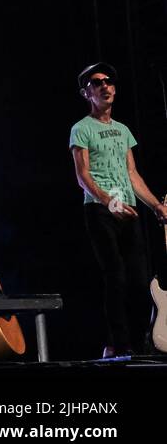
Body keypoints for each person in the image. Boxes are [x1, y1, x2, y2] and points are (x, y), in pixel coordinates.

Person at [70, 62, 167, 357]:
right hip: (100, 211)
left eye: (109, 81)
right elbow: (82, 176)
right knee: (115, 276)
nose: (105, 86)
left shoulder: (123, 130)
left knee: (140, 280)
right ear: (87, 92)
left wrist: (156, 206)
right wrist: (108, 202)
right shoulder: (81, 128)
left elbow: (132, 174)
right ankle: (116, 344)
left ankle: (139, 343)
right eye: (98, 82)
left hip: (130, 211)